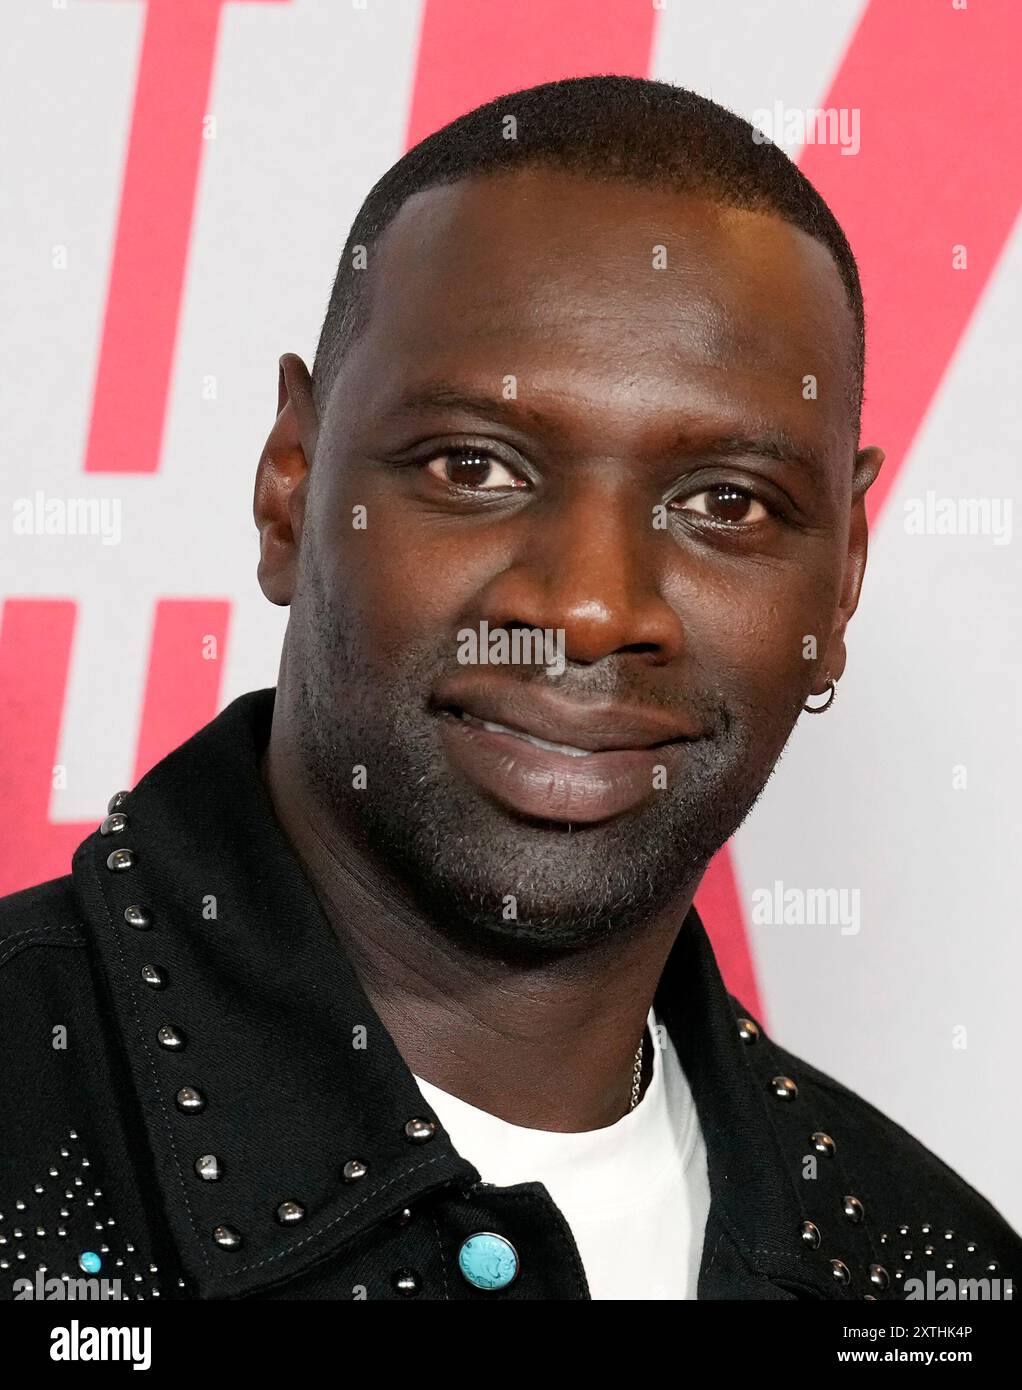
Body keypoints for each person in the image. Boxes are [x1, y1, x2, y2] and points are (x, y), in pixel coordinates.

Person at [1, 76, 1018, 1302]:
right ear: (289, 488)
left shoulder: (931, 1277)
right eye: (473, 465)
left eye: (725, 503)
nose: (588, 607)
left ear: (840, 579)